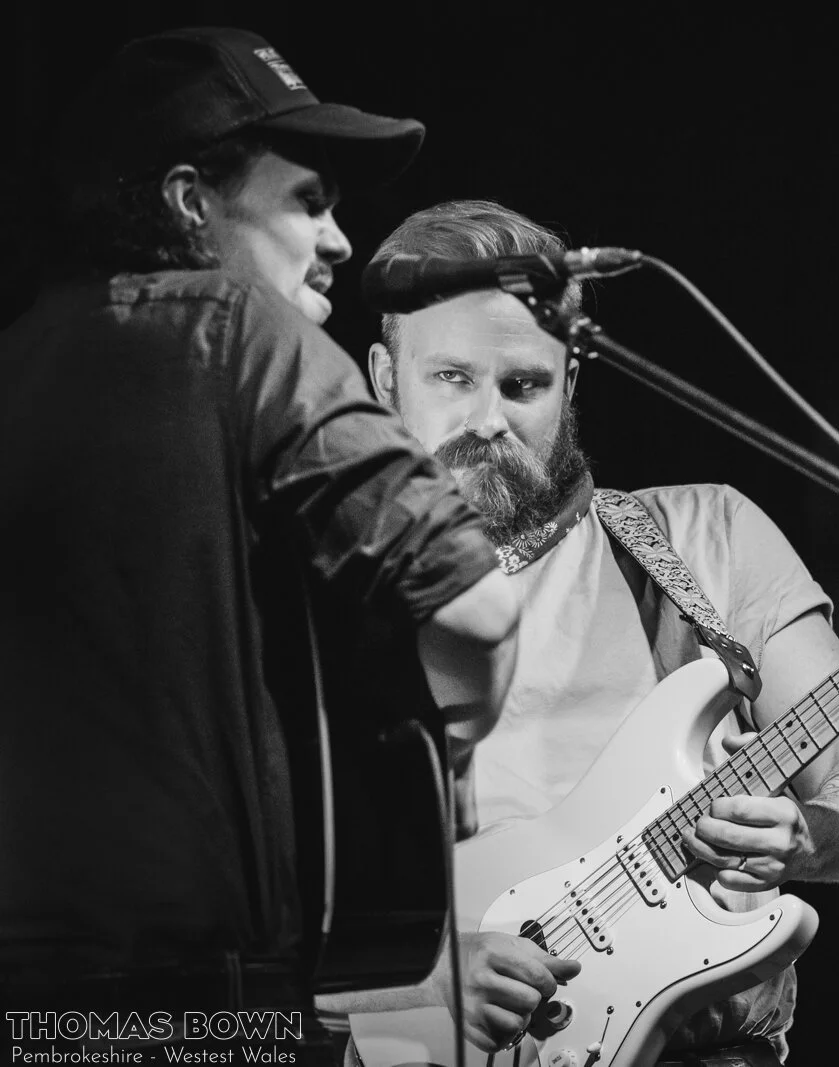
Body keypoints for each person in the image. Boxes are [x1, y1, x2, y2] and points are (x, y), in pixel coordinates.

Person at [0, 29, 522, 1022]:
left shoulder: (18, 363)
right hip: (212, 1008)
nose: (341, 241)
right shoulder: (240, 326)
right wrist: (441, 754)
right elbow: (479, 608)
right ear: (190, 203)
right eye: (309, 201)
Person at [320, 199, 839, 1065]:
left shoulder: (705, 536)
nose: (489, 418)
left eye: (524, 384)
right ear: (384, 376)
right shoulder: (319, 594)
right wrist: (420, 971)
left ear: (573, 378)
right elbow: (243, 917)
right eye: (452, 377)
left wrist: (811, 833)